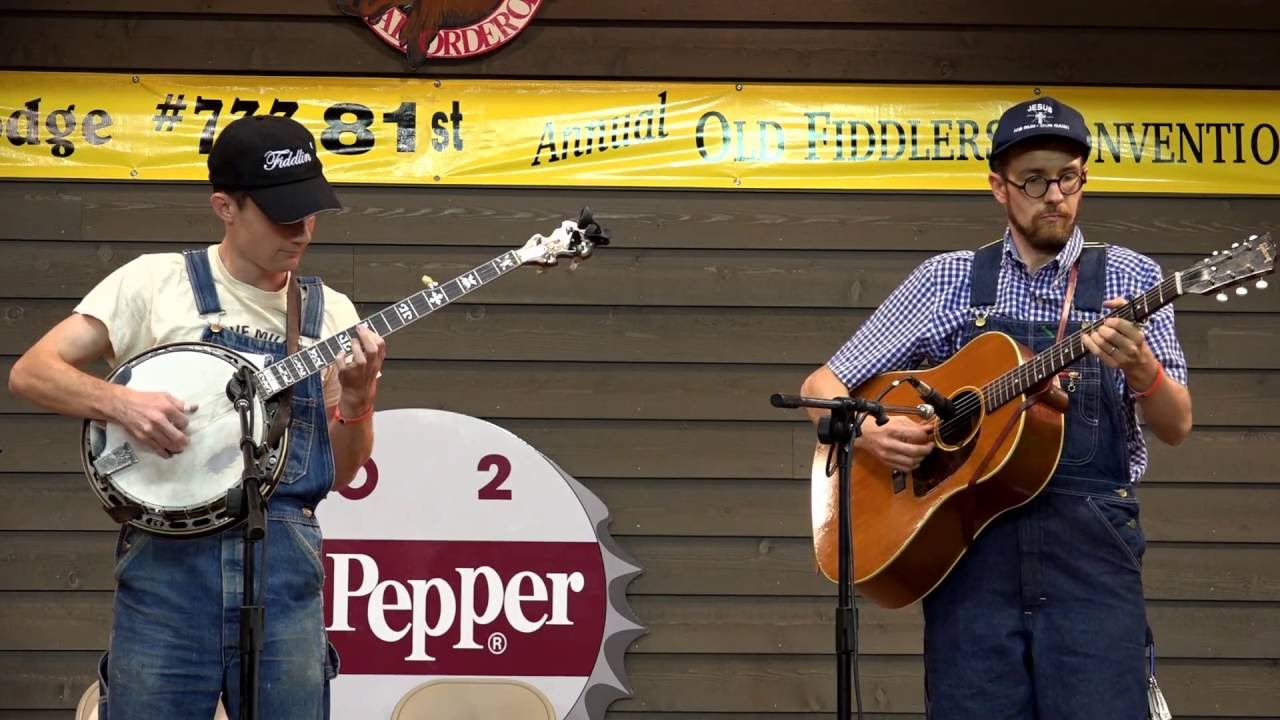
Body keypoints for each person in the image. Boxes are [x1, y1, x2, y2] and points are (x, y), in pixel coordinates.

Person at [800, 97, 1192, 718]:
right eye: (1033, 180)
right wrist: (873, 430)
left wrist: (1143, 370)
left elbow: (1176, 425)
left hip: (1091, 557)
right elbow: (822, 387)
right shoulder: (946, 281)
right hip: (970, 558)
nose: (1054, 195)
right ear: (998, 187)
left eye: (1067, 177)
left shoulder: (1133, 277)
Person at [8, 114, 385, 719]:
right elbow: (33, 371)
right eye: (282, 215)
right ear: (225, 207)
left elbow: (339, 473)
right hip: (166, 571)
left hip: (286, 569)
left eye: (310, 212)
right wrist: (120, 402)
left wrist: (360, 403)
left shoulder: (331, 312)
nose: (301, 230)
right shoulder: (154, 283)